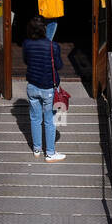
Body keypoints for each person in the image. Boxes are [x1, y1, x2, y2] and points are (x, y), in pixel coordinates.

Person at [21, 15, 65, 162]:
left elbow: (26, 61)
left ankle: (37, 149)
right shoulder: (53, 46)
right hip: (48, 89)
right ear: (44, 29)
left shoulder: (26, 44)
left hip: (32, 86)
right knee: (50, 120)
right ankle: (50, 153)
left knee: (34, 119)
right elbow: (58, 66)